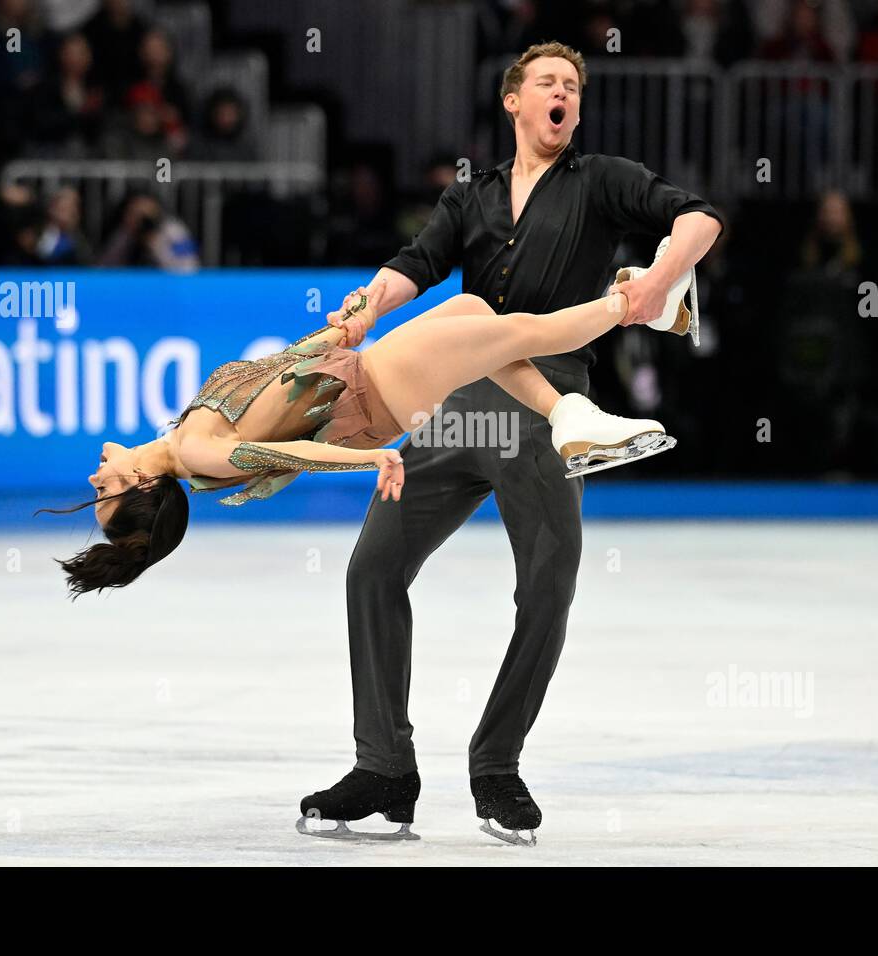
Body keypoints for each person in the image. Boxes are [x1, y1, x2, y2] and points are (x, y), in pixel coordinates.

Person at [301, 42, 722, 846]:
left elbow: (700, 216)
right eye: (548, 83)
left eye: (573, 85)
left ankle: (496, 763)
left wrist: (662, 277)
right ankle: (385, 766)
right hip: (462, 402)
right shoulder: (474, 194)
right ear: (513, 102)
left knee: (549, 583)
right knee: (372, 567)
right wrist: (366, 308)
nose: (563, 94)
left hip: (549, 403)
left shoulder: (601, 180)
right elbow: (416, 264)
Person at [41, 268, 695, 602]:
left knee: (476, 315)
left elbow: (277, 377)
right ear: (141, 483)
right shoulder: (192, 453)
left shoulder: (185, 440)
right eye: (105, 494)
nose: (96, 478)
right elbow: (286, 449)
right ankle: (641, 303)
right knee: (518, 333)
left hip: (367, 373)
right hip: (382, 386)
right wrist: (371, 461)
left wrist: (335, 332)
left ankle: (565, 418)